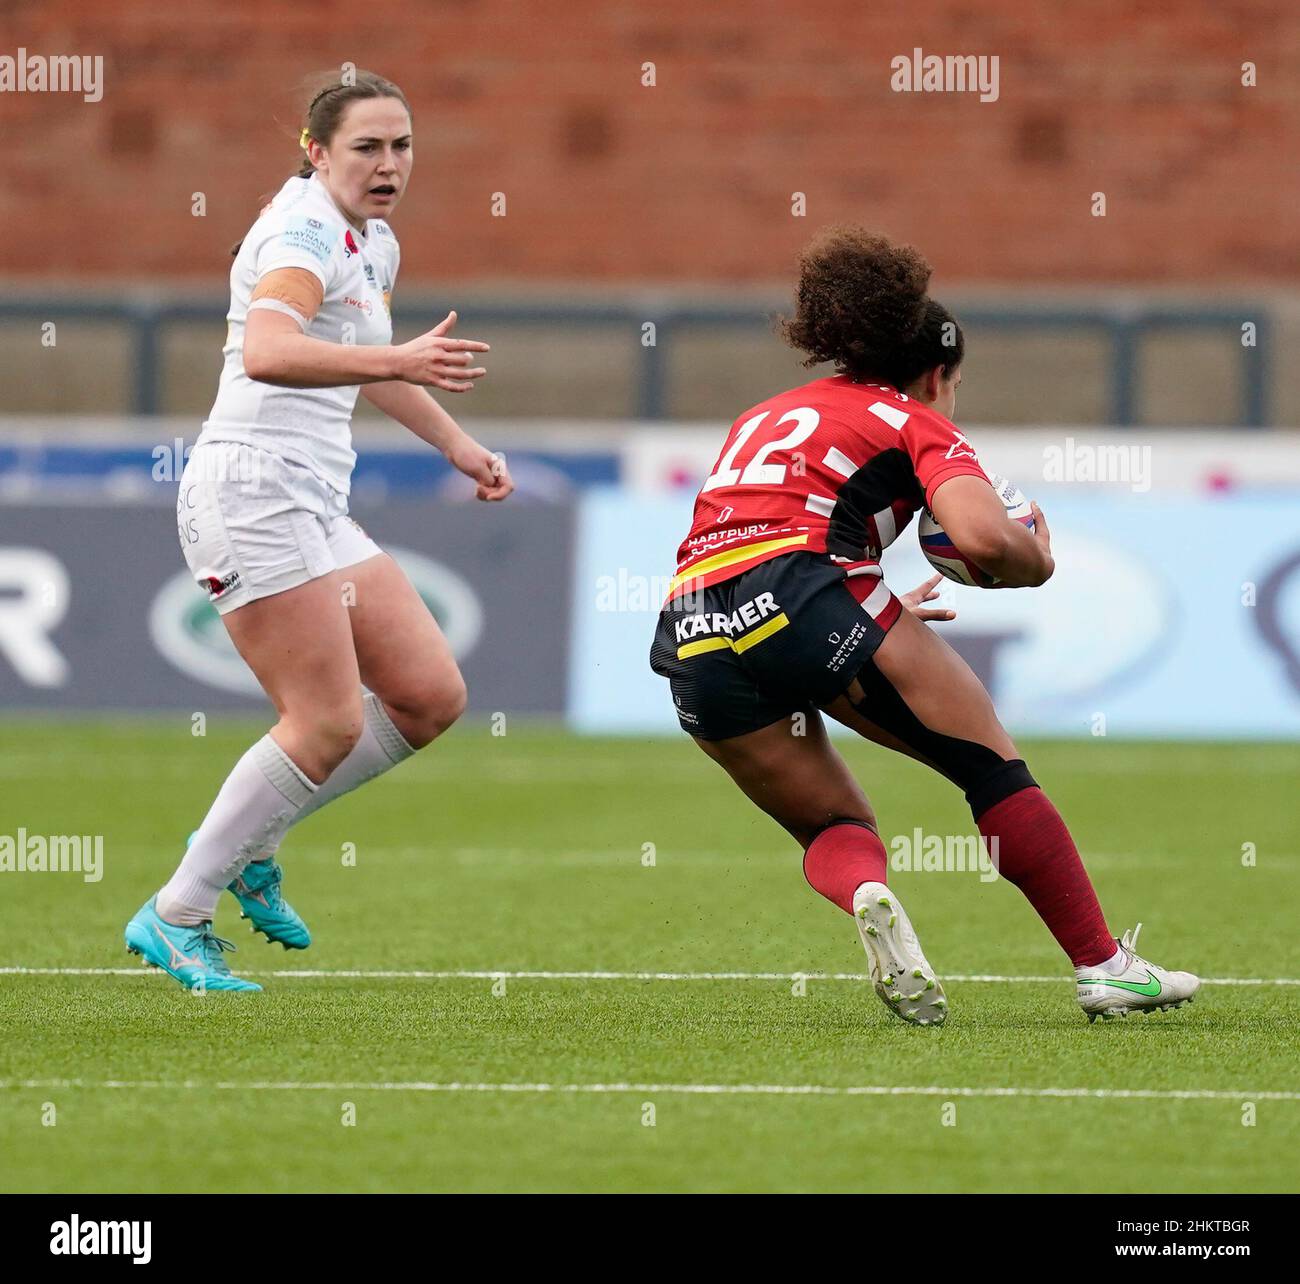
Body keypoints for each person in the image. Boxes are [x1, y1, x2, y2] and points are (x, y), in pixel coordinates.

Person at [649, 226, 1198, 1025]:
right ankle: (1104, 966)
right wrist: (1035, 561)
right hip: (810, 591)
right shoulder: (914, 420)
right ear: (938, 374)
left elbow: (757, 534)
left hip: (693, 620)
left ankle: (868, 891)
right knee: (992, 772)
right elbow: (978, 537)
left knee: (833, 823)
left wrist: (862, 601)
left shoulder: (763, 415)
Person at [126, 71, 513, 992]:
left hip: (310, 501)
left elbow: (363, 368)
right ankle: (177, 913)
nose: (389, 165)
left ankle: (255, 839)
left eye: (402, 145)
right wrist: (398, 353)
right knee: (328, 720)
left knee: (427, 695)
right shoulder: (300, 232)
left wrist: (458, 446)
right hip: (251, 495)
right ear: (316, 151)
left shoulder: (372, 241)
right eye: (367, 148)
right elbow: (269, 349)